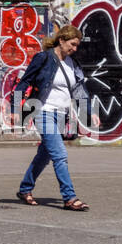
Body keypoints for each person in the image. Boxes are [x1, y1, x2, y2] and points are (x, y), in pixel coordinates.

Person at [14, 24, 89, 211]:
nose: (74, 49)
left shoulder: (73, 63)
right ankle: (69, 197)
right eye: (72, 44)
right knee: (60, 155)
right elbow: (25, 82)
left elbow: (79, 88)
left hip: (62, 114)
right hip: (43, 111)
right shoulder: (44, 58)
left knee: (45, 155)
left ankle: (25, 189)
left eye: (77, 45)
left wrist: (89, 112)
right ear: (61, 40)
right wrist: (15, 107)